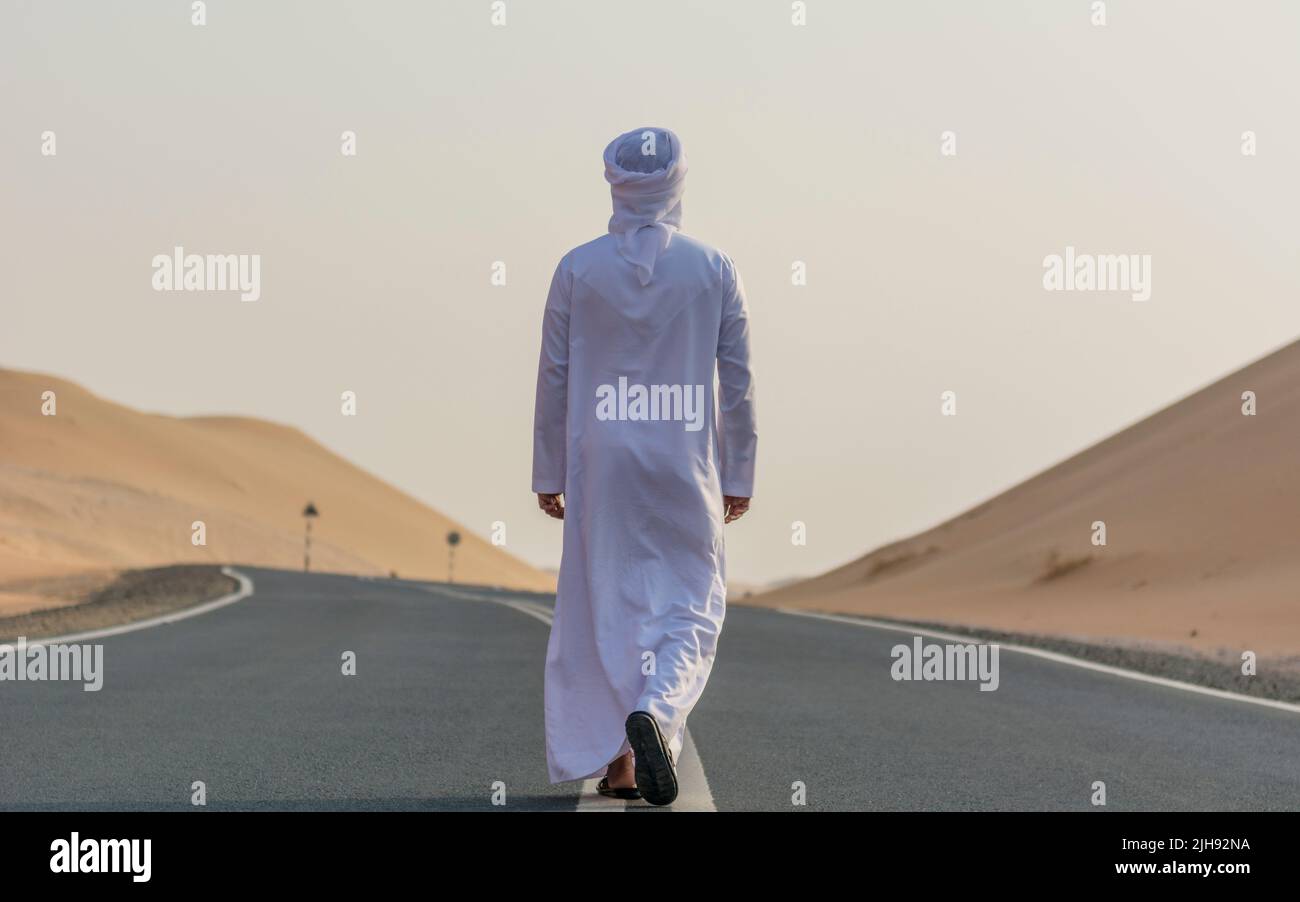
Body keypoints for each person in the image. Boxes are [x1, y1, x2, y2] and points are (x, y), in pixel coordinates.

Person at [531, 127, 757, 805]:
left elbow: (555, 374)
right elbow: (737, 382)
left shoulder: (577, 267)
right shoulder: (714, 267)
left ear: (614, 183)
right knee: (692, 603)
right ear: (678, 183)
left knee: (607, 604)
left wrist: (548, 469)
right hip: (685, 461)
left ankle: (621, 761)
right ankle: (656, 717)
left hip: (600, 465)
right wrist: (740, 471)